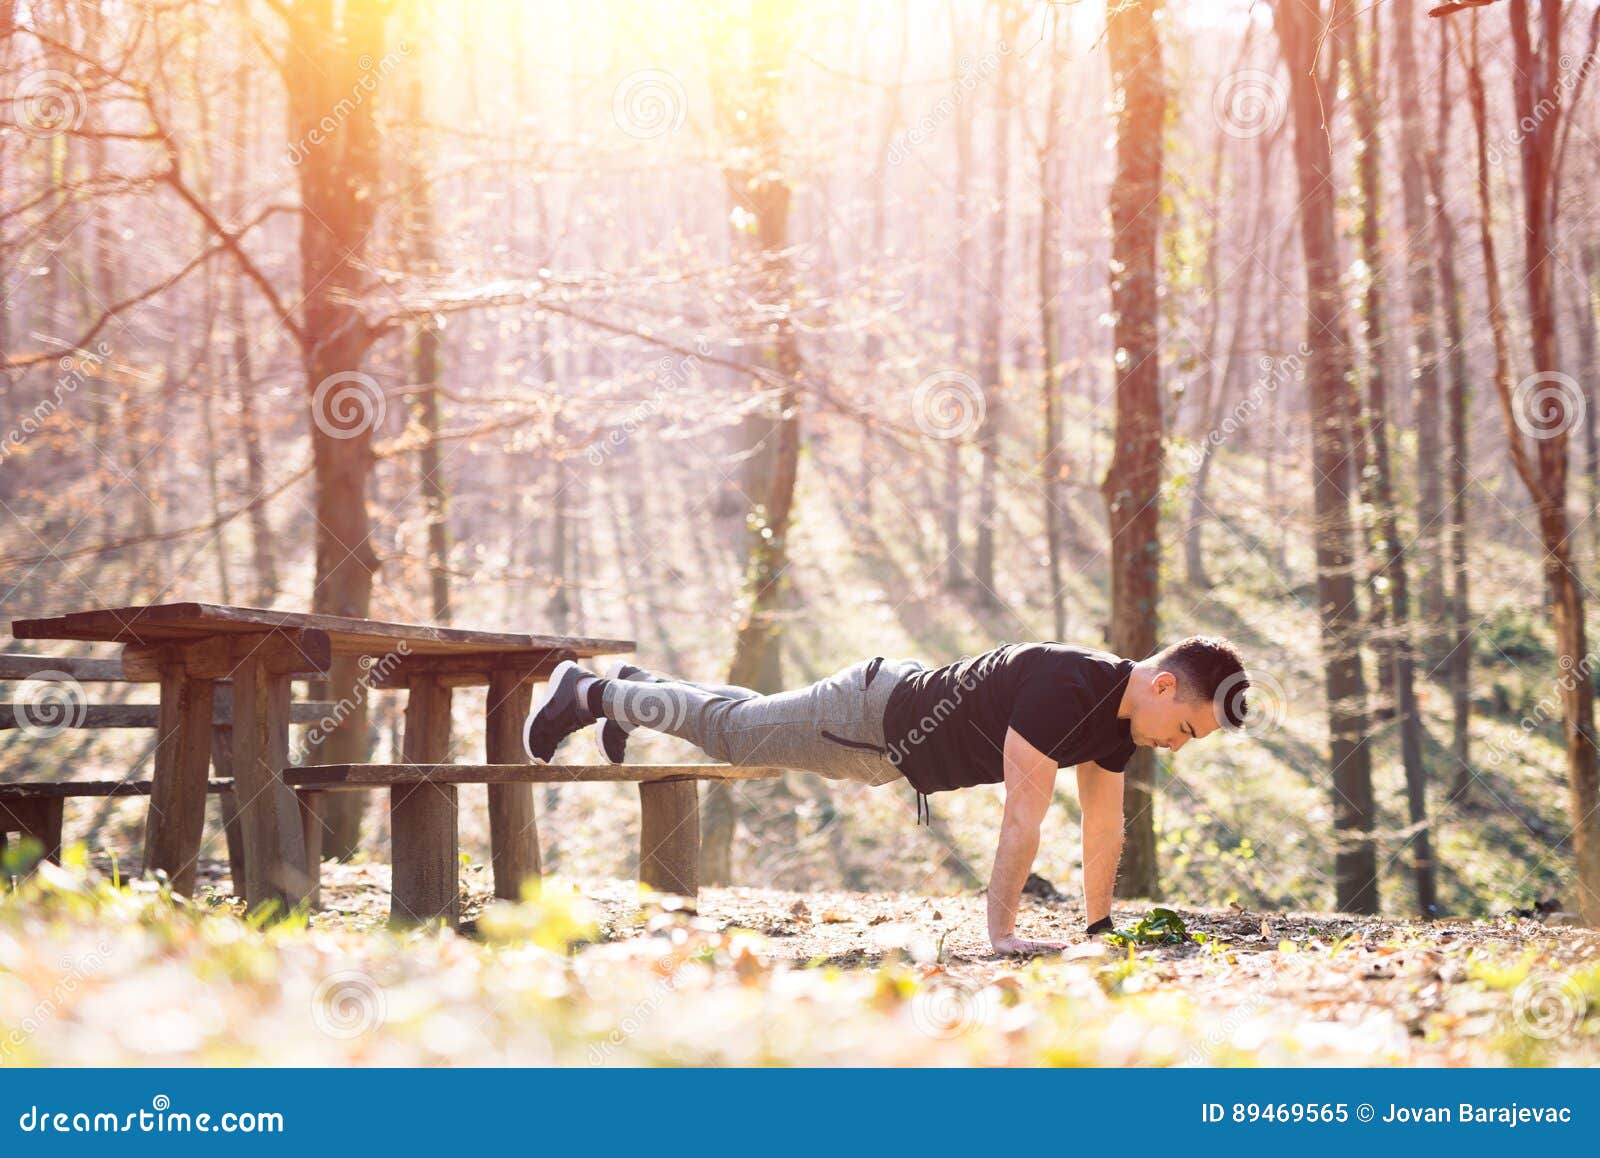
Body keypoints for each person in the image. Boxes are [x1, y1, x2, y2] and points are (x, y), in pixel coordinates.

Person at [524, 636, 1249, 955]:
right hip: (871, 721)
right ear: (1162, 686)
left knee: (747, 717)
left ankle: (642, 691)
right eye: (1186, 729)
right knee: (735, 735)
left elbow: (1103, 826)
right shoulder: (1066, 687)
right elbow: (1022, 818)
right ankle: (589, 692)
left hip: (883, 735)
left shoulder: (1119, 722)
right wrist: (1001, 933)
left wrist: (1099, 926)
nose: (1178, 746)